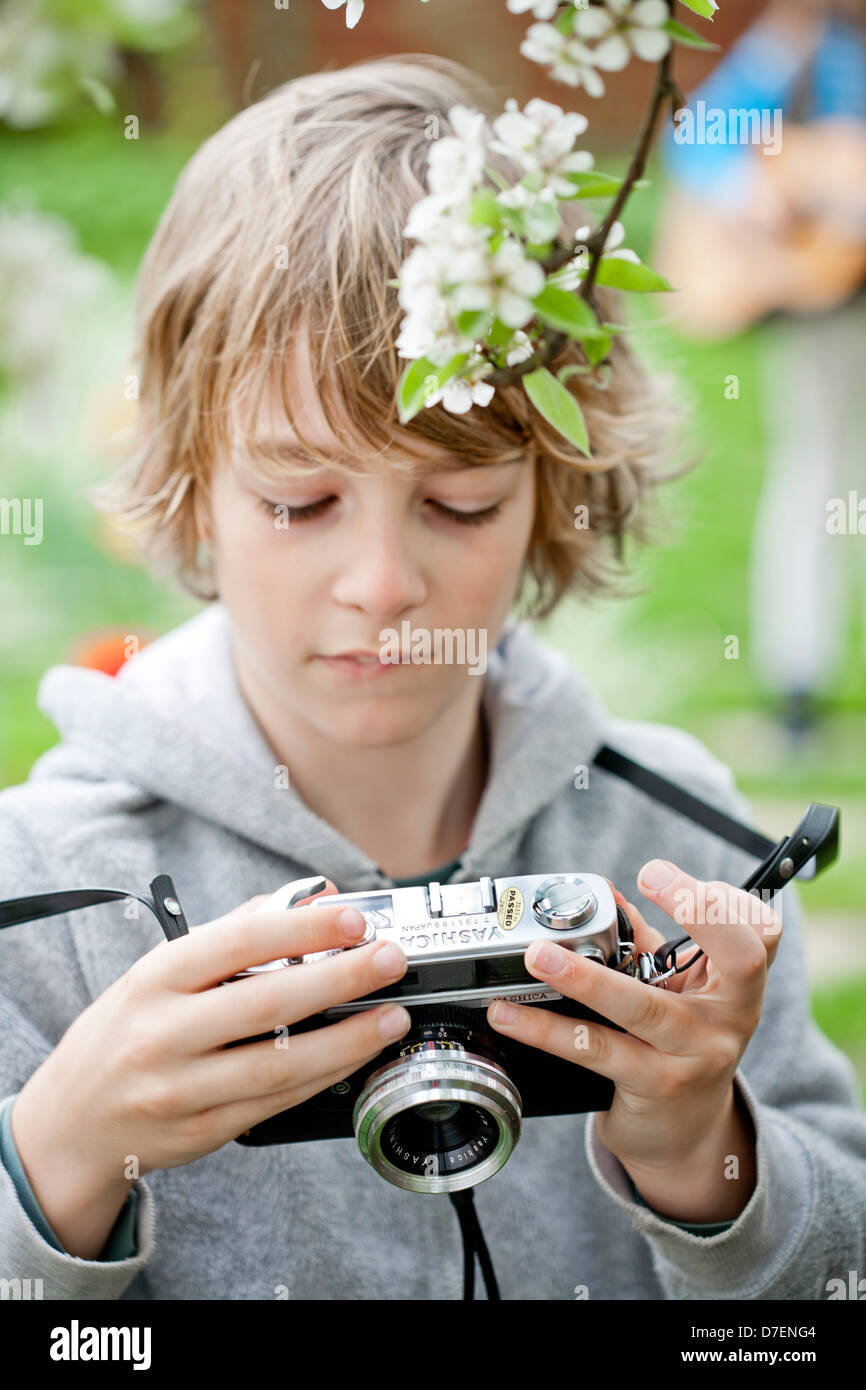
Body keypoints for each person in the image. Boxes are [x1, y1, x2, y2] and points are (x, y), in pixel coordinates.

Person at [0, 53, 864, 1302]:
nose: (382, 583)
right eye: (300, 502)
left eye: (459, 503)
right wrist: (62, 1154)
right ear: (189, 488)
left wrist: (705, 1155)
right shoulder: (46, 892)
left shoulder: (672, 846)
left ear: (556, 495)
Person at [656, 0, 866, 740]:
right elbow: (702, 137)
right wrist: (765, 196)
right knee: (820, 469)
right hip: (832, 305)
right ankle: (798, 682)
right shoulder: (804, 43)